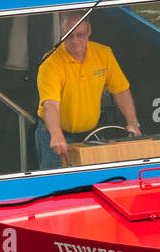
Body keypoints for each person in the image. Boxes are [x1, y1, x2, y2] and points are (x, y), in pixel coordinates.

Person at [35, 11, 140, 170]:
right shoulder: (50, 62)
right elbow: (50, 103)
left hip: (92, 133)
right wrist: (56, 134)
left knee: (99, 180)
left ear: (89, 31)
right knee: (57, 186)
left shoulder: (104, 54)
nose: (75, 40)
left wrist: (132, 123)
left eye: (80, 35)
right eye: (69, 35)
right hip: (55, 134)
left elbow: (121, 90)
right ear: (62, 33)